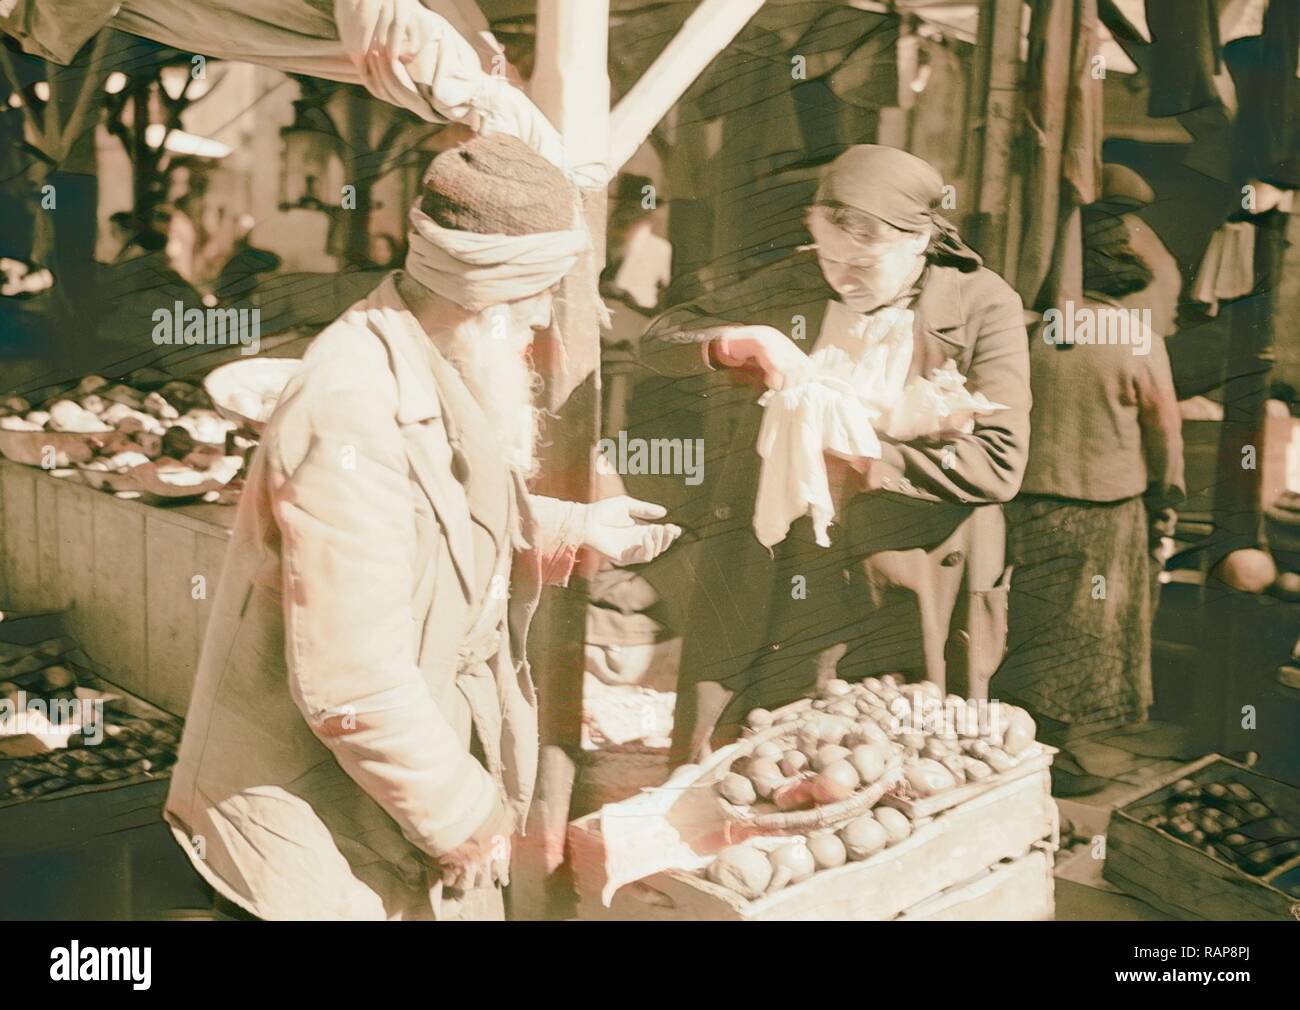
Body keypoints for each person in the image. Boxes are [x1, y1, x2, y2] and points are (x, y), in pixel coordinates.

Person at [163, 135, 680, 921]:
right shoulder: (349, 406)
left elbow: (433, 519)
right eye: (537, 294)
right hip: (320, 813)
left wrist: (576, 526)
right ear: (484, 293)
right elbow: (354, 682)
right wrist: (467, 818)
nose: (544, 318)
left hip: (385, 792)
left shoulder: (433, 355)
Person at [638, 145, 1030, 763]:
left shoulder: (982, 304)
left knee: (881, 748)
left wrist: (859, 451)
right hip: (776, 551)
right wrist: (737, 340)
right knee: (755, 746)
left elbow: (1000, 462)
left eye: (862, 260)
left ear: (920, 240)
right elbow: (659, 340)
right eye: (828, 252)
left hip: (905, 564)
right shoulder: (798, 280)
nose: (839, 275)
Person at [994, 211, 1185, 791]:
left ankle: (1026, 748)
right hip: (1105, 513)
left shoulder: (1030, 334)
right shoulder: (1135, 339)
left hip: (1025, 508)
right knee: (1086, 636)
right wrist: (1166, 502)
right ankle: (1051, 756)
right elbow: (1165, 436)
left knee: (1031, 627)